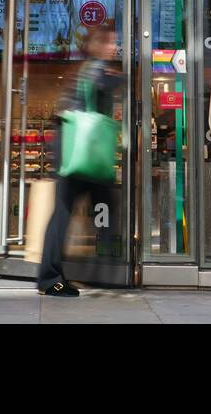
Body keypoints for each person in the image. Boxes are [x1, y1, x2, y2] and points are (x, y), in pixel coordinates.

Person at [37, 24, 123, 297]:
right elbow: (105, 83)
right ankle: (52, 279)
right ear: (99, 45)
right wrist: (131, 75)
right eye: (111, 43)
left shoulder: (88, 68)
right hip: (79, 152)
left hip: (78, 151)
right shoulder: (96, 68)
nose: (115, 47)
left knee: (97, 207)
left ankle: (100, 272)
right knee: (67, 212)